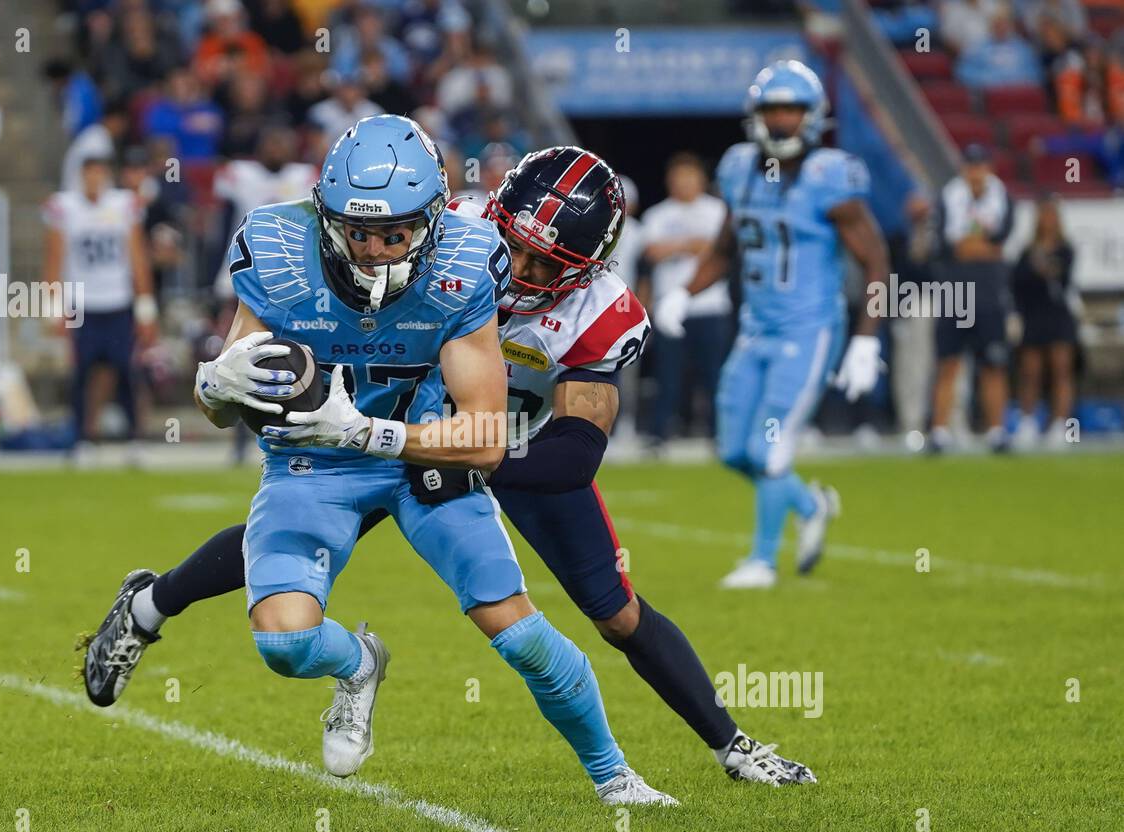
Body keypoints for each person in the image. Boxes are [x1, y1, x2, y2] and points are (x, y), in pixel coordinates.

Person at [82, 141, 817, 789]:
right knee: (292, 535)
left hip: (505, 449)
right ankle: (150, 606)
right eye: (516, 247)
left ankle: (732, 746)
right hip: (388, 412)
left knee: (616, 612)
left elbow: (576, 452)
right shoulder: (443, 230)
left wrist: (474, 458)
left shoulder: (599, 309)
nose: (521, 270)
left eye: (546, 265)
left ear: (589, 268)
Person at [683, 60, 890, 589]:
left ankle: (762, 560)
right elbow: (726, 245)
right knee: (733, 450)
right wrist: (680, 296)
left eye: (791, 110)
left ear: (812, 117)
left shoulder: (830, 177)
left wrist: (866, 340)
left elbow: (875, 258)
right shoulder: (737, 168)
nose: (780, 120)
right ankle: (809, 502)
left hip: (810, 330)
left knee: (771, 447)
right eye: (772, 109)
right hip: (755, 329)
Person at [42, 151, 158, 453]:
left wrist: (146, 308)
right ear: (81, 176)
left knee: (125, 369)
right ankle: (82, 438)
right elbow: (54, 259)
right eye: (88, 174)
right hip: (81, 303)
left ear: (106, 176)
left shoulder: (122, 205)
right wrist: (54, 309)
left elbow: (137, 259)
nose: (94, 180)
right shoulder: (65, 207)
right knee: (81, 372)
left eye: (99, 174)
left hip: (117, 301)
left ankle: (134, 438)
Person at [929, 143, 1014, 453]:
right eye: (971, 165)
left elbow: (999, 242)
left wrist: (970, 247)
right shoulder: (949, 196)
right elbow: (945, 247)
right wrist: (978, 248)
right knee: (947, 362)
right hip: (955, 291)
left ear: (987, 167)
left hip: (989, 292)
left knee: (994, 363)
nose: (975, 172)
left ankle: (996, 431)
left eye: (980, 165)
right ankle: (939, 431)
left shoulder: (1000, 194)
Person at [647, 153, 733, 444]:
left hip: (710, 306)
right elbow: (652, 252)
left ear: (702, 180)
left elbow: (724, 250)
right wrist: (688, 244)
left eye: (690, 176)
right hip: (670, 306)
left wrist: (679, 247)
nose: (684, 183)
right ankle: (660, 433)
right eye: (679, 177)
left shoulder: (718, 210)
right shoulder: (657, 214)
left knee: (715, 375)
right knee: (668, 376)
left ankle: (720, 432)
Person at [1012, 196, 1077, 450]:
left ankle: (1061, 424)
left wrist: (1046, 268)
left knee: (1061, 370)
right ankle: (1027, 422)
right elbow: (1017, 282)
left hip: (1058, 315)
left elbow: (1063, 278)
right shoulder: (1027, 252)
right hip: (1034, 316)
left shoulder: (1065, 249)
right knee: (1030, 372)